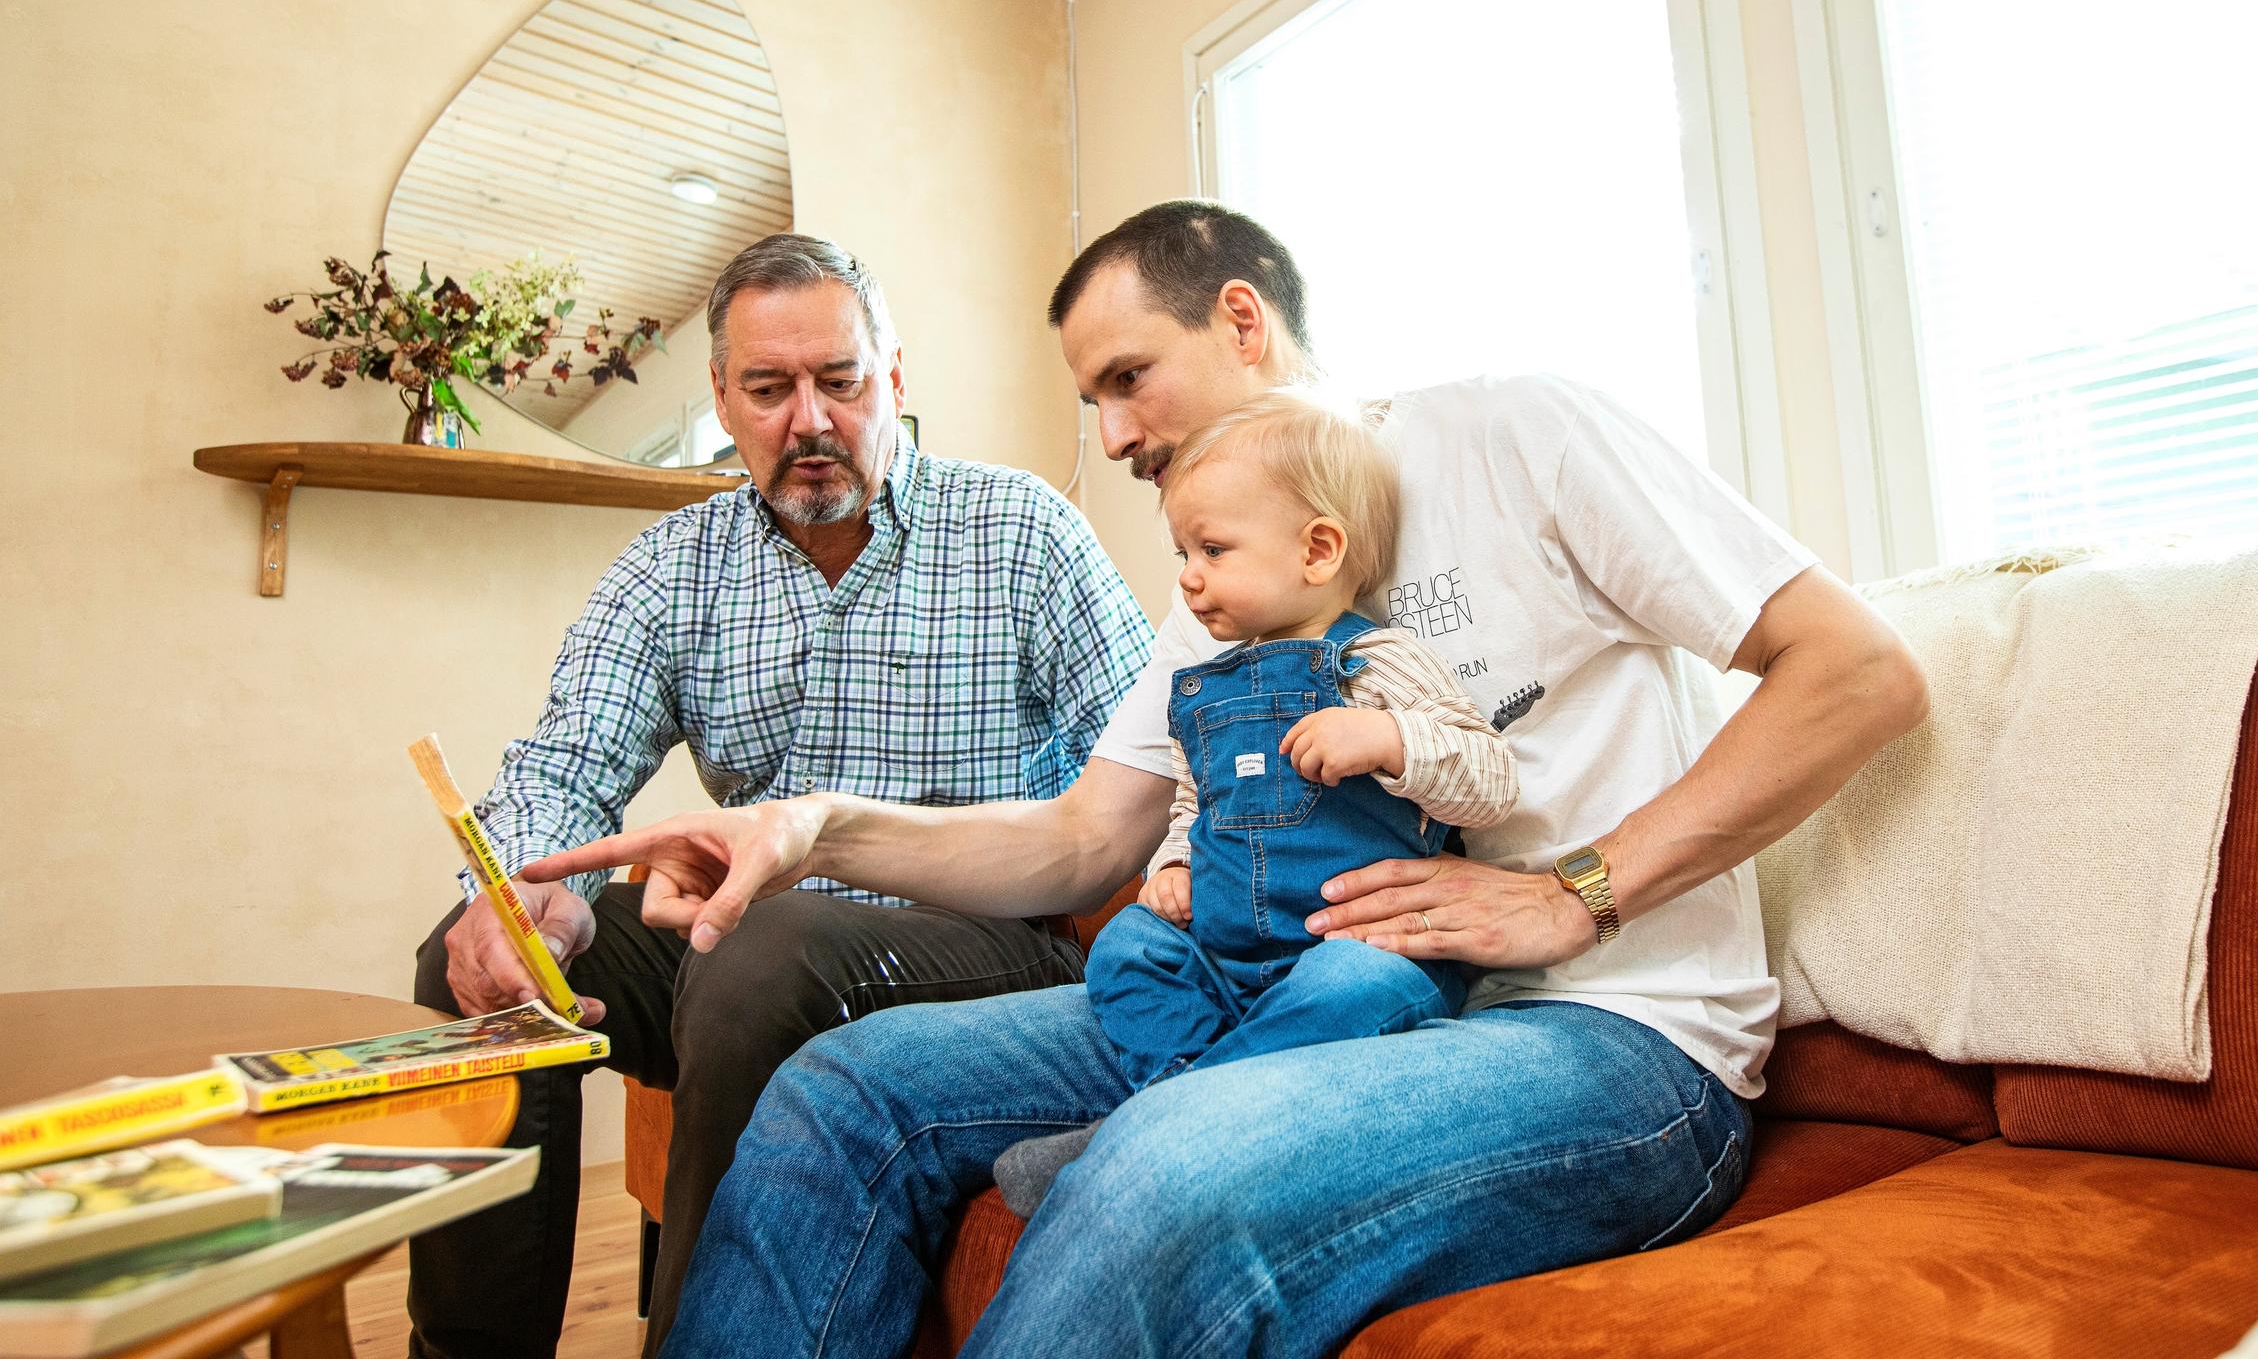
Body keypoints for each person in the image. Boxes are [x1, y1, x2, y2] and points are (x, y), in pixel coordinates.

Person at [532, 202, 1929, 1359]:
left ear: (1243, 322)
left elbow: (1857, 672)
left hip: (1608, 1044)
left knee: (1169, 1172)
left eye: (1128, 380)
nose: (1117, 436)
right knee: (844, 1092)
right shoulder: (1212, 606)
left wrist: (1576, 892)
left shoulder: (1517, 436)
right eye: (1095, 404)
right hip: (1263, 999)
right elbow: (1085, 838)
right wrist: (823, 824)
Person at [406, 234, 1153, 1359]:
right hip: (749, 947)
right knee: (476, 958)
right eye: (768, 389)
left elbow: (1153, 759)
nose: (808, 420)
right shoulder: (674, 569)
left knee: (767, 943)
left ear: (893, 378)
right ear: (722, 397)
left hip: (990, 942)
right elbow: (566, 765)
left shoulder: (1023, 533)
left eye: (840, 382)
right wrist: (518, 899)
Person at [992, 389, 1521, 1211]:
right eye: (1182, 555)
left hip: (1361, 949)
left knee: (1351, 991)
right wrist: (1170, 867)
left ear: (1317, 551)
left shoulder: (1378, 664)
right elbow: (1191, 809)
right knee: (1124, 950)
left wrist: (1387, 741)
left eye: (1212, 548)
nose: (1190, 579)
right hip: (1225, 954)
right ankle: (1192, 1102)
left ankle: (1152, 1125)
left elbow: (1490, 779)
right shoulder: (1201, 686)